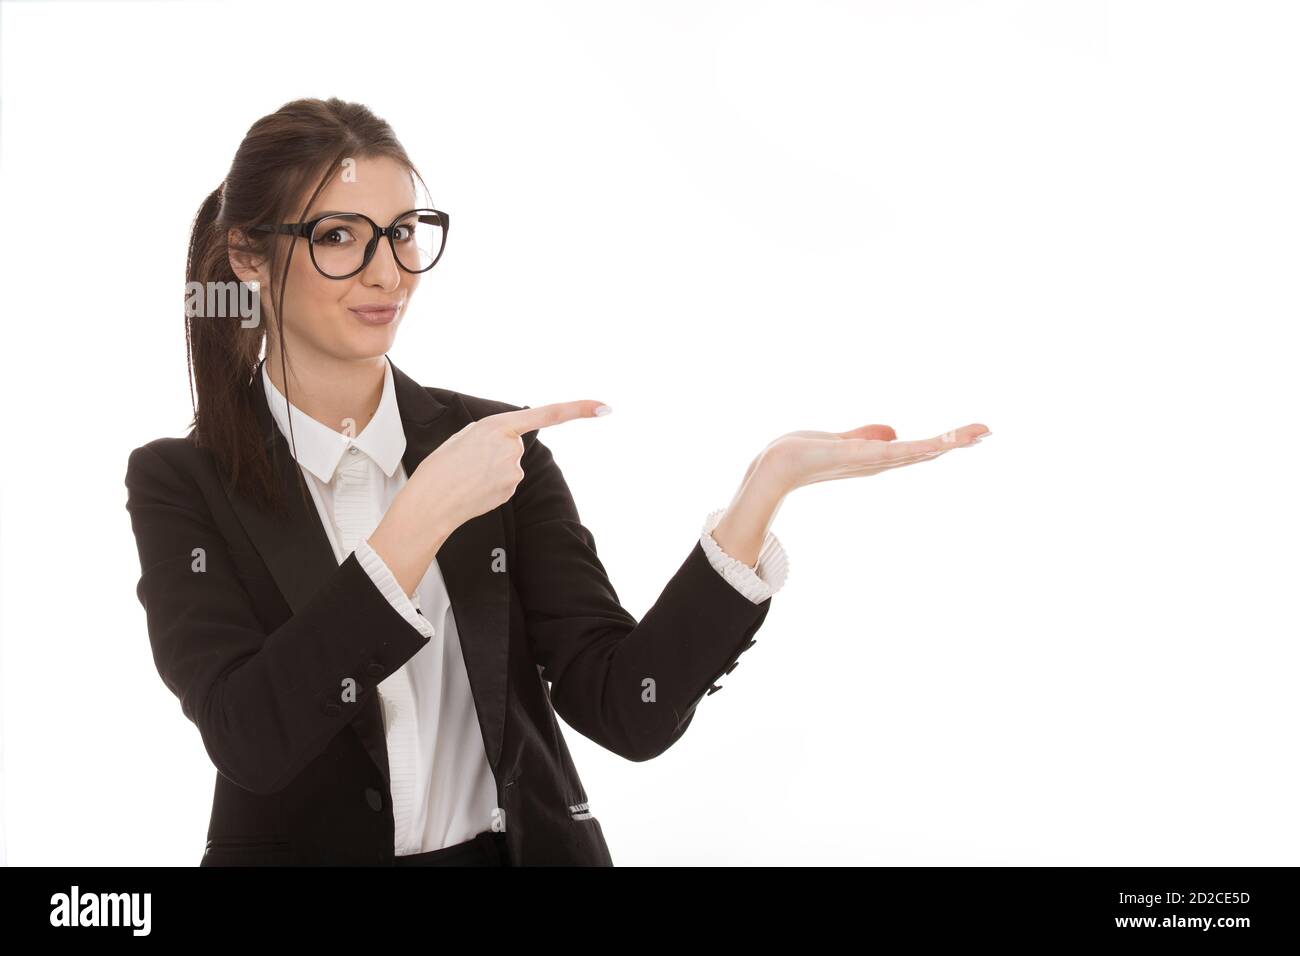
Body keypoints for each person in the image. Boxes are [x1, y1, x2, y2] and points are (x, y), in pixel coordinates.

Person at [124, 97, 990, 867]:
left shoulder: (500, 448)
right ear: (247, 257)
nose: (387, 272)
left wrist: (763, 492)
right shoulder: (181, 482)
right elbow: (250, 737)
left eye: (402, 231)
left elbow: (627, 707)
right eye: (339, 236)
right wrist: (416, 522)